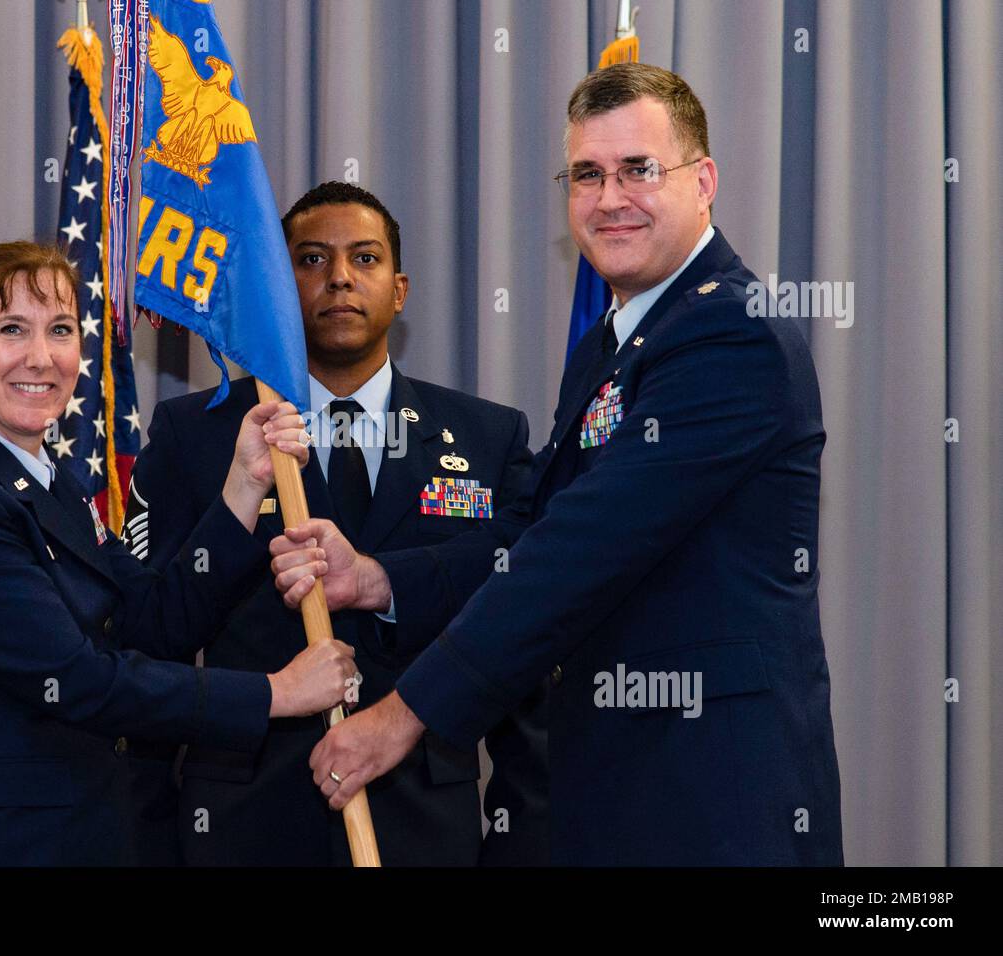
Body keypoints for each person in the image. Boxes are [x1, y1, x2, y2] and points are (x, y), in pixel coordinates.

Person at [272, 64, 844, 865]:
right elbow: (532, 530)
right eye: (587, 174)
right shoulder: (615, 344)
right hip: (619, 791)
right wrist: (375, 579)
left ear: (704, 181)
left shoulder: (731, 336)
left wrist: (404, 714)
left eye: (639, 169)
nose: (610, 198)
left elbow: (579, 550)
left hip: (712, 799)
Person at [0, 240, 356, 866]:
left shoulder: (52, 484)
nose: (41, 357)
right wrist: (278, 693)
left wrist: (244, 482)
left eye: (61, 330)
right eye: (12, 329)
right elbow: (79, 681)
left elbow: (154, 624)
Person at [122, 183, 548, 865]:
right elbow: (151, 638)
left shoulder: (488, 438)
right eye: (312, 259)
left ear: (400, 291)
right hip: (242, 827)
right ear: (277, 287)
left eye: (365, 258)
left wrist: (522, 837)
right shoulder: (196, 434)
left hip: (424, 827)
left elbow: (520, 638)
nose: (340, 278)